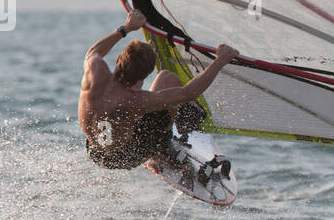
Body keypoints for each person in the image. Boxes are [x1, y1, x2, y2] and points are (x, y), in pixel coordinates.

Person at [79, 9, 239, 170]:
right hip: (125, 157)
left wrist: (126, 27)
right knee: (169, 79)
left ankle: (155, 147)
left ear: (119, 58)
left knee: (127, 114)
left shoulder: (95, 71)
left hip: (94, 150)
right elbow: (189, 93)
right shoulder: (136, 100)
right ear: (144, 76)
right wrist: (221, 60)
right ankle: (161, 154)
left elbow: (93, 52)